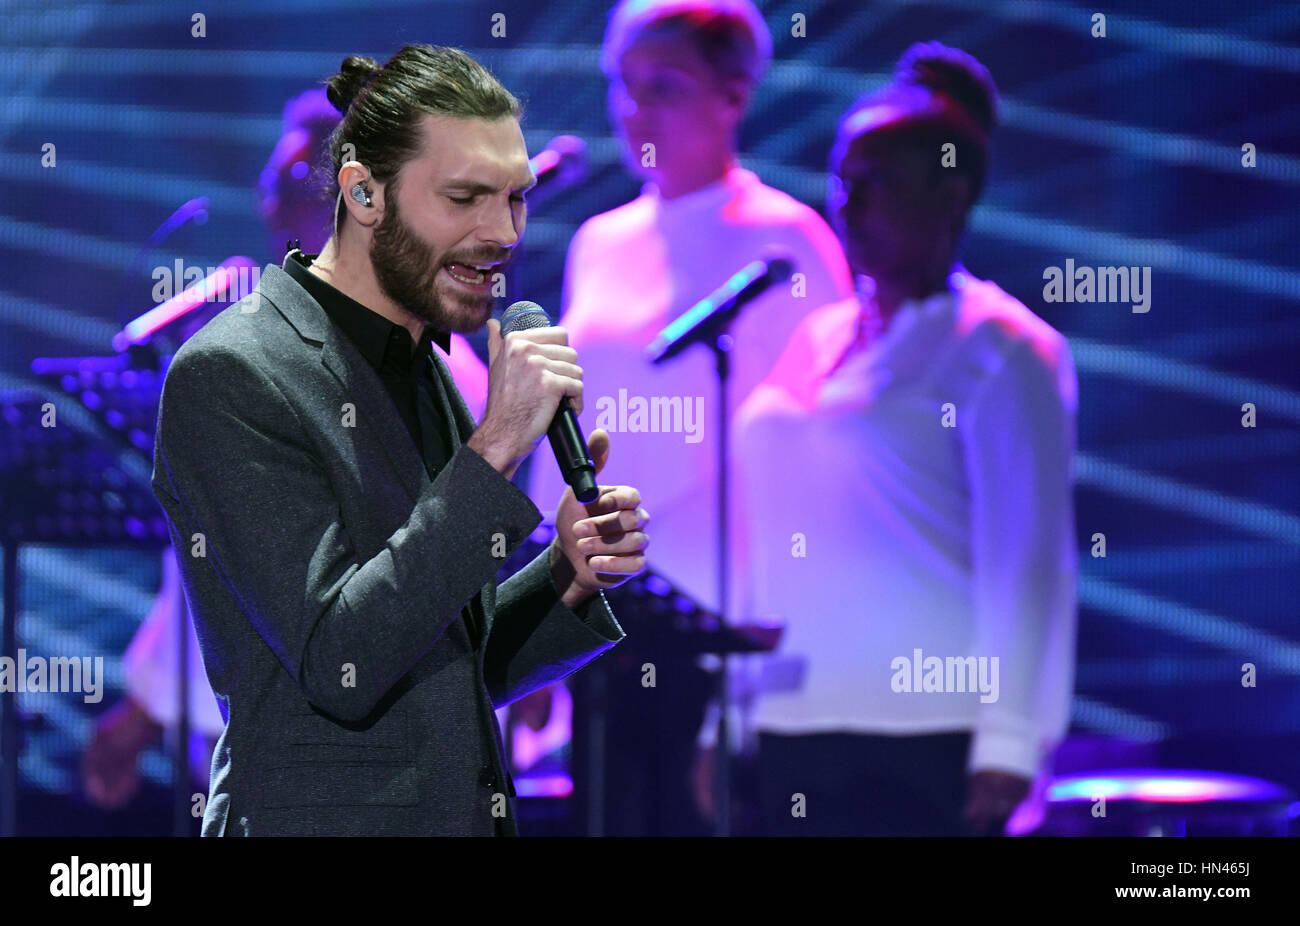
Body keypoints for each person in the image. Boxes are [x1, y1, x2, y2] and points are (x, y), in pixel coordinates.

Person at [150, 45, 650, 836]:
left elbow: (445, 671)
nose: (502, 233)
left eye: (515, 199)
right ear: (363, 192)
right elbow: (341, 663)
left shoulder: (422, 370)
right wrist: (494, 454)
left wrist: (565, 577)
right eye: (464, 198)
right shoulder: (231, 373)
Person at [83, 88, 492, 814]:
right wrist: (145, 711)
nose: (277, 205)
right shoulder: (251, 361)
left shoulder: (440, 371)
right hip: (279, 760)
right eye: (274, 182)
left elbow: (438, 594)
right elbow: (235, 574)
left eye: (304, 184)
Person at [722, 42, 1078, 836]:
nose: (848, 205)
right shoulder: (816, 338)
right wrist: (729, 717)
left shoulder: (1002, 351)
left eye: (877, 181)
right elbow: (771, 545)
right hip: (790, 725)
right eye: (843, 178)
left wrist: (1011, 740)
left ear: (950, 192)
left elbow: (1028, 564)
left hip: (923, 739)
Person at [526, 0, 853, 835]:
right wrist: (534, 604)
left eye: (663, 88)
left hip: (724, 614)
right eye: (622, 86)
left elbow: (817, 453)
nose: (634, 110)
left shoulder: (789, 239)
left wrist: (782, 596)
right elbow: (567, 423)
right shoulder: (600, 240)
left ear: (734, 95)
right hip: (605, 600)